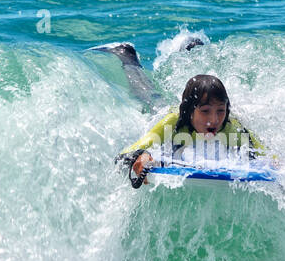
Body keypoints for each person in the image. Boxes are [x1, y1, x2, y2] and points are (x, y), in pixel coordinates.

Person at [115, 74, 271, 188]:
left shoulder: (230, 128)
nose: (215, 120)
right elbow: (124, 155)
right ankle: (128, 58)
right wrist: (141, 155)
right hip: (159, 108)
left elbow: (266, 156)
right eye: (205, 111)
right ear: (190, 111)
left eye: (220, 111)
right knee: (149, 97)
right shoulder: (172, 123)